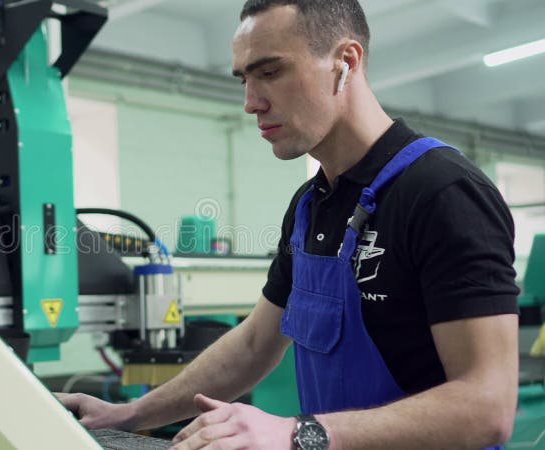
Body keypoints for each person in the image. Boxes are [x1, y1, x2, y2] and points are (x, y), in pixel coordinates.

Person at [58, 1, 520, 449]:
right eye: (244, 78)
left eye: (270, 72)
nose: (250, 103)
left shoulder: (441, 191)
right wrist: (128, 416)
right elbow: (256, 343)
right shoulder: (309, 204)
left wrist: (298, 434)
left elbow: (488, 406)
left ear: (345, 61)